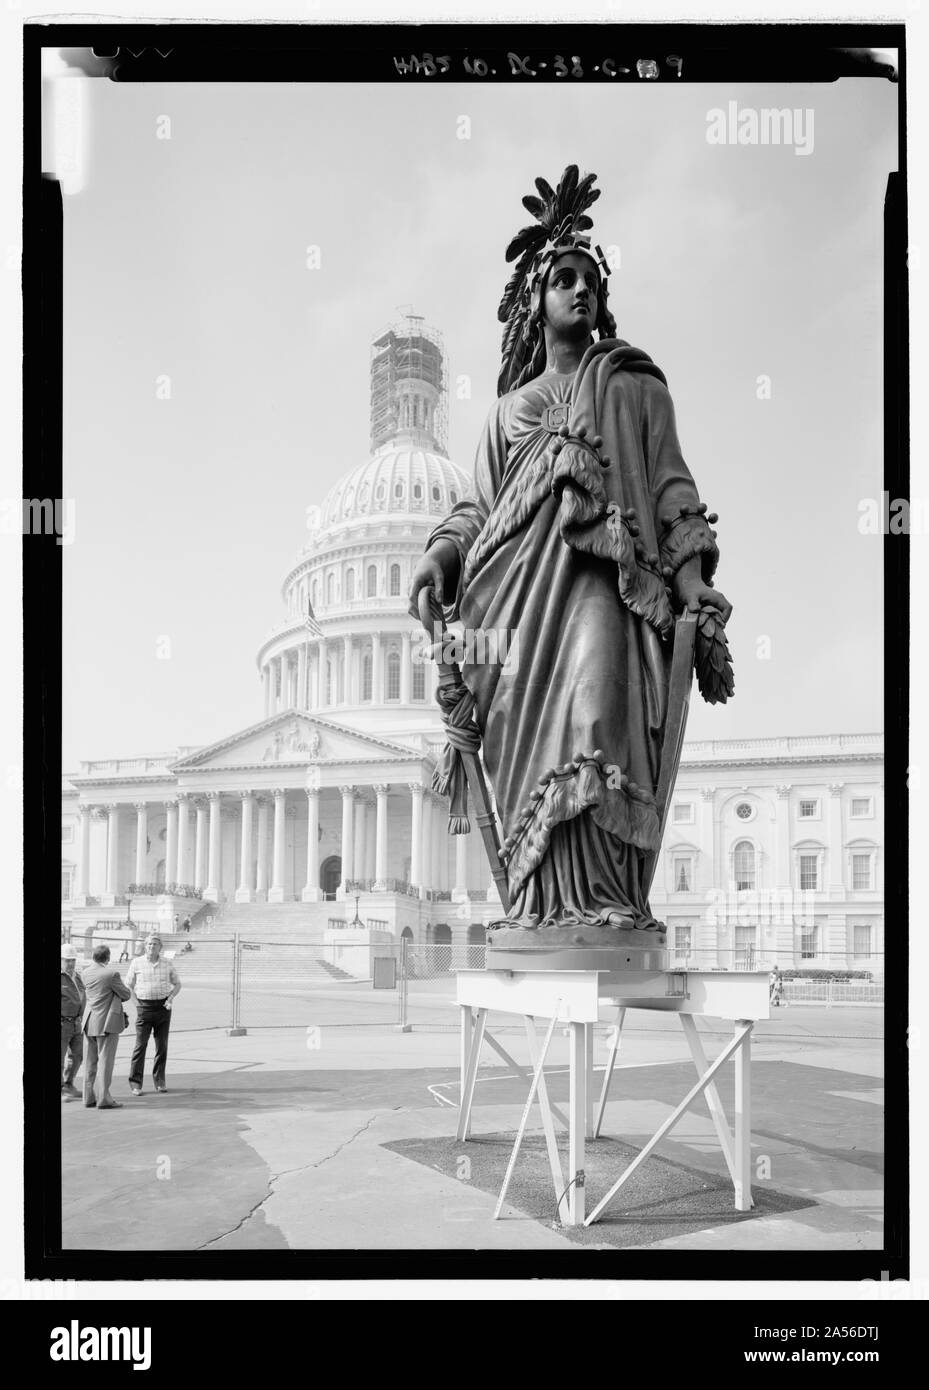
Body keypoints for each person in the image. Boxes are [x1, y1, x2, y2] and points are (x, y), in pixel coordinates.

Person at [409, 165, 732, 947]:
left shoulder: (632, 387)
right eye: (562, 279)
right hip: (515, 608)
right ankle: (543, 904)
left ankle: (604, 898)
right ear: (536, 301)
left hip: (599, 589)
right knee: (535, 744)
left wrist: (688, 577)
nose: (579, 291)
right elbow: (479, 510)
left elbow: (670, 487)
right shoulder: (505, 413)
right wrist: (440, 558)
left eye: (589, 280)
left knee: (597, 713)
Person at [125, 934, 181, 1095]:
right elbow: (128, 985)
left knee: (162, 1045)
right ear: (145, 946)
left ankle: (160, 1080)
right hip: (144, 1007)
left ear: (160, 947)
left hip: (163, 1007)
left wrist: (170, 998)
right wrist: (137, 1004)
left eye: (155, 944)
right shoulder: (136, 962)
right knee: (140, 1045)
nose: (151, 946)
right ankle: (136, 1083)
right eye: (149, 944)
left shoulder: (167, 963)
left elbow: (177, 984)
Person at [81, 944, 131, 1109]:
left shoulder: (85, 973)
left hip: (89, 1022)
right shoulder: (111, 974)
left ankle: (88, 1097)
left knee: (89, 1062)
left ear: (94, 956)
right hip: (106, 1023)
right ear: (108, 957)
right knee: (105, 1062)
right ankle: (104, 1098)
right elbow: (126, 994)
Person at [60, 944, 85, 1100]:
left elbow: (83, 994)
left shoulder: (77, 976)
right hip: (63, 1022)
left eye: (73, 960)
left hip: (76, 1022)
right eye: (67, 960)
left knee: (77, 1056)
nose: (70, 963)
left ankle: (68, 1084)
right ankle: (61, 1089)